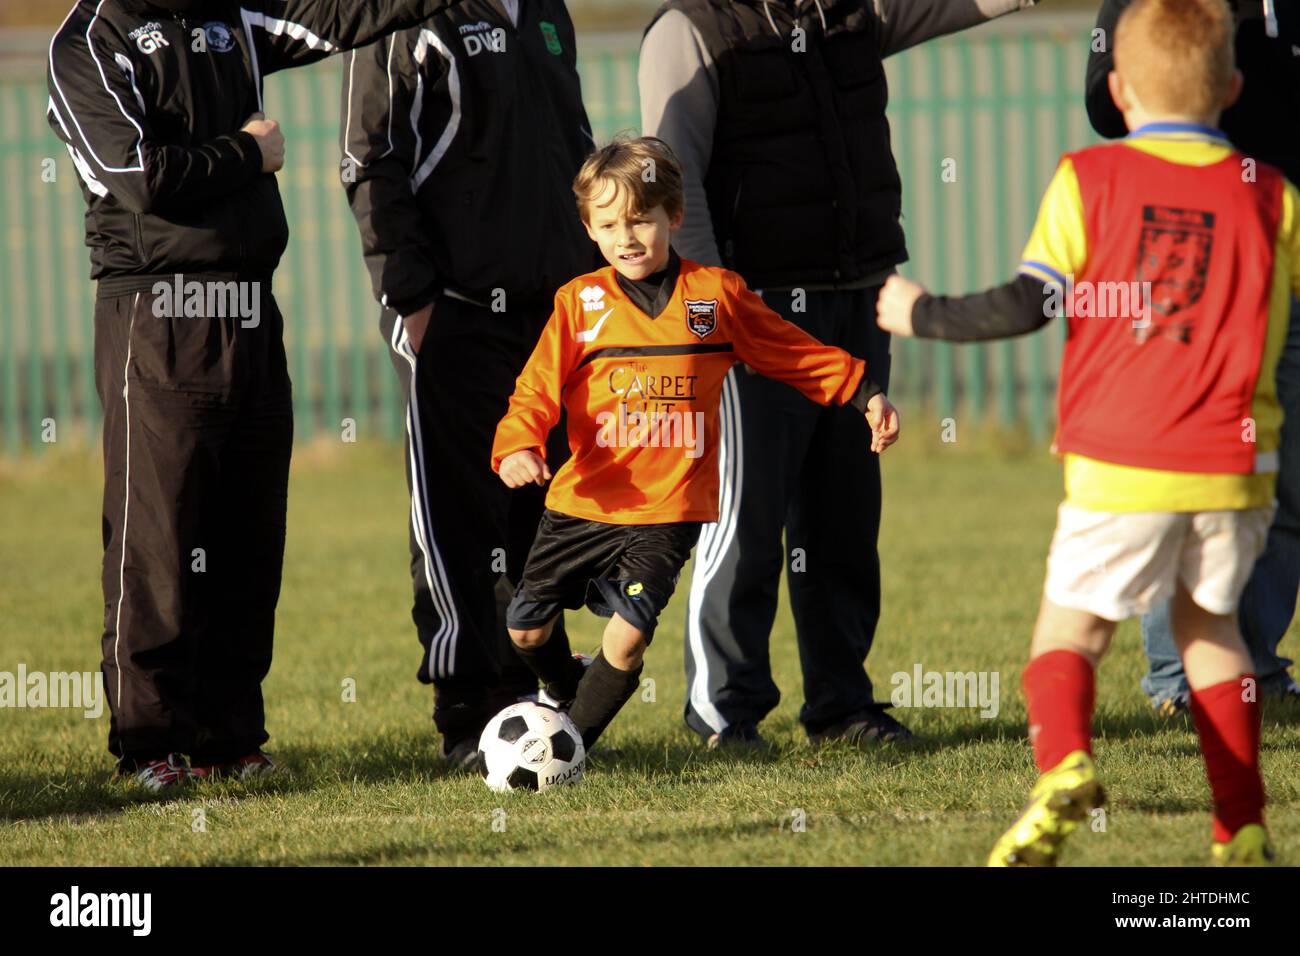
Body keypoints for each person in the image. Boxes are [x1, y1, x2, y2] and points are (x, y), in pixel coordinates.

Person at [877, 0, 1297, 865]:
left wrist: (924, 313)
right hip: (1235, 468)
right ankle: (1242, 825)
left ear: (1117, 89)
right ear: (1235, 87)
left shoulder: (1086, 179)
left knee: (1067, 635)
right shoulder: (1277, 198)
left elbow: (1031, 303)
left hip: (1124, 466)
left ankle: (1064, 768)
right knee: (1212, 631)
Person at [46, 0, 467, 791]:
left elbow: (340, 18)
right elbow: (138, 179)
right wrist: (247, 152)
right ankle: (151, 745)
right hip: (158, 311)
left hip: (250, 307)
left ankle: (228, 738)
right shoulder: (88, 40)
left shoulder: (226, 10)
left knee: (248, 533)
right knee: (160, 538)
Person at [639, 0, 1037, 750]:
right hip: (753, 315)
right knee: (746, 522)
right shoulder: (689, 27)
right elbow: (673, 180)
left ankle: (842, 705)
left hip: (859, 299)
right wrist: (713, 311)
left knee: (843, 523)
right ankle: (726, 712)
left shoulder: (853, 10)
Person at [490, 136, 899, 751]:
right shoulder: (579, 304)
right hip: (584, 501)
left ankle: (566, 746)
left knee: (627, 638)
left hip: (669, 510)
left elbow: (788, 350)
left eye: (641, 220)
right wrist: (519, 444)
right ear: (589, 229)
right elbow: (535, 389)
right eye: (609, 224)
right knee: (525, 630)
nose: (627, 236)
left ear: (673, 217)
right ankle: (570, 691)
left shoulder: (716, 294)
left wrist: (862, 389)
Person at [341, 0, 600, 768]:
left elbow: (574, 150)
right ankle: (467, 708)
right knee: (459, 514)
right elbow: (369, 157)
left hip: (545, 311)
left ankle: (537, 698)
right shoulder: (405, 14)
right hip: (450, 311)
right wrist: (413, 297)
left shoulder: (547, 11)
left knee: (539, 505)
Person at [1086, 0, 1300, 716]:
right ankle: (1178, 684)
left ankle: (1257, 673)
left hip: (1281, 261)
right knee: (1182, 479)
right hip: (1189, 269)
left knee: (1279, 480)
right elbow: (1102, 100)